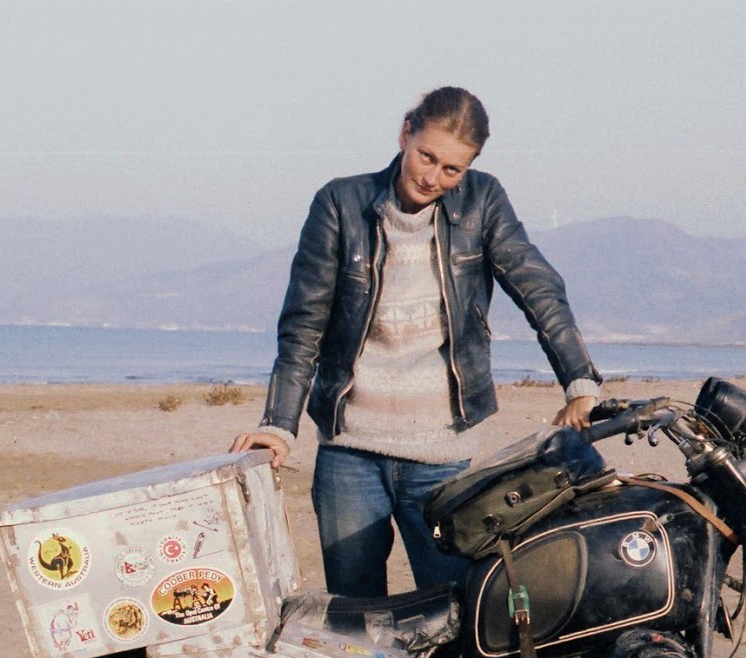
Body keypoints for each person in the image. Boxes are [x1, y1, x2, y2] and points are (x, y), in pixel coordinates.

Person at [231, 87, 601, 598]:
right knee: (356, 624)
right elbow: (303, 327)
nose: (432, 178)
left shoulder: (483, 201)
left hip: (443, 460)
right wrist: (277, 425)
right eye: (427, 156)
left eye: (451, 170)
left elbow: (538, 289)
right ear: (406, 133)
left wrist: (579, 382)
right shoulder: (340, 204)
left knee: (456, 616)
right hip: (349, 455)